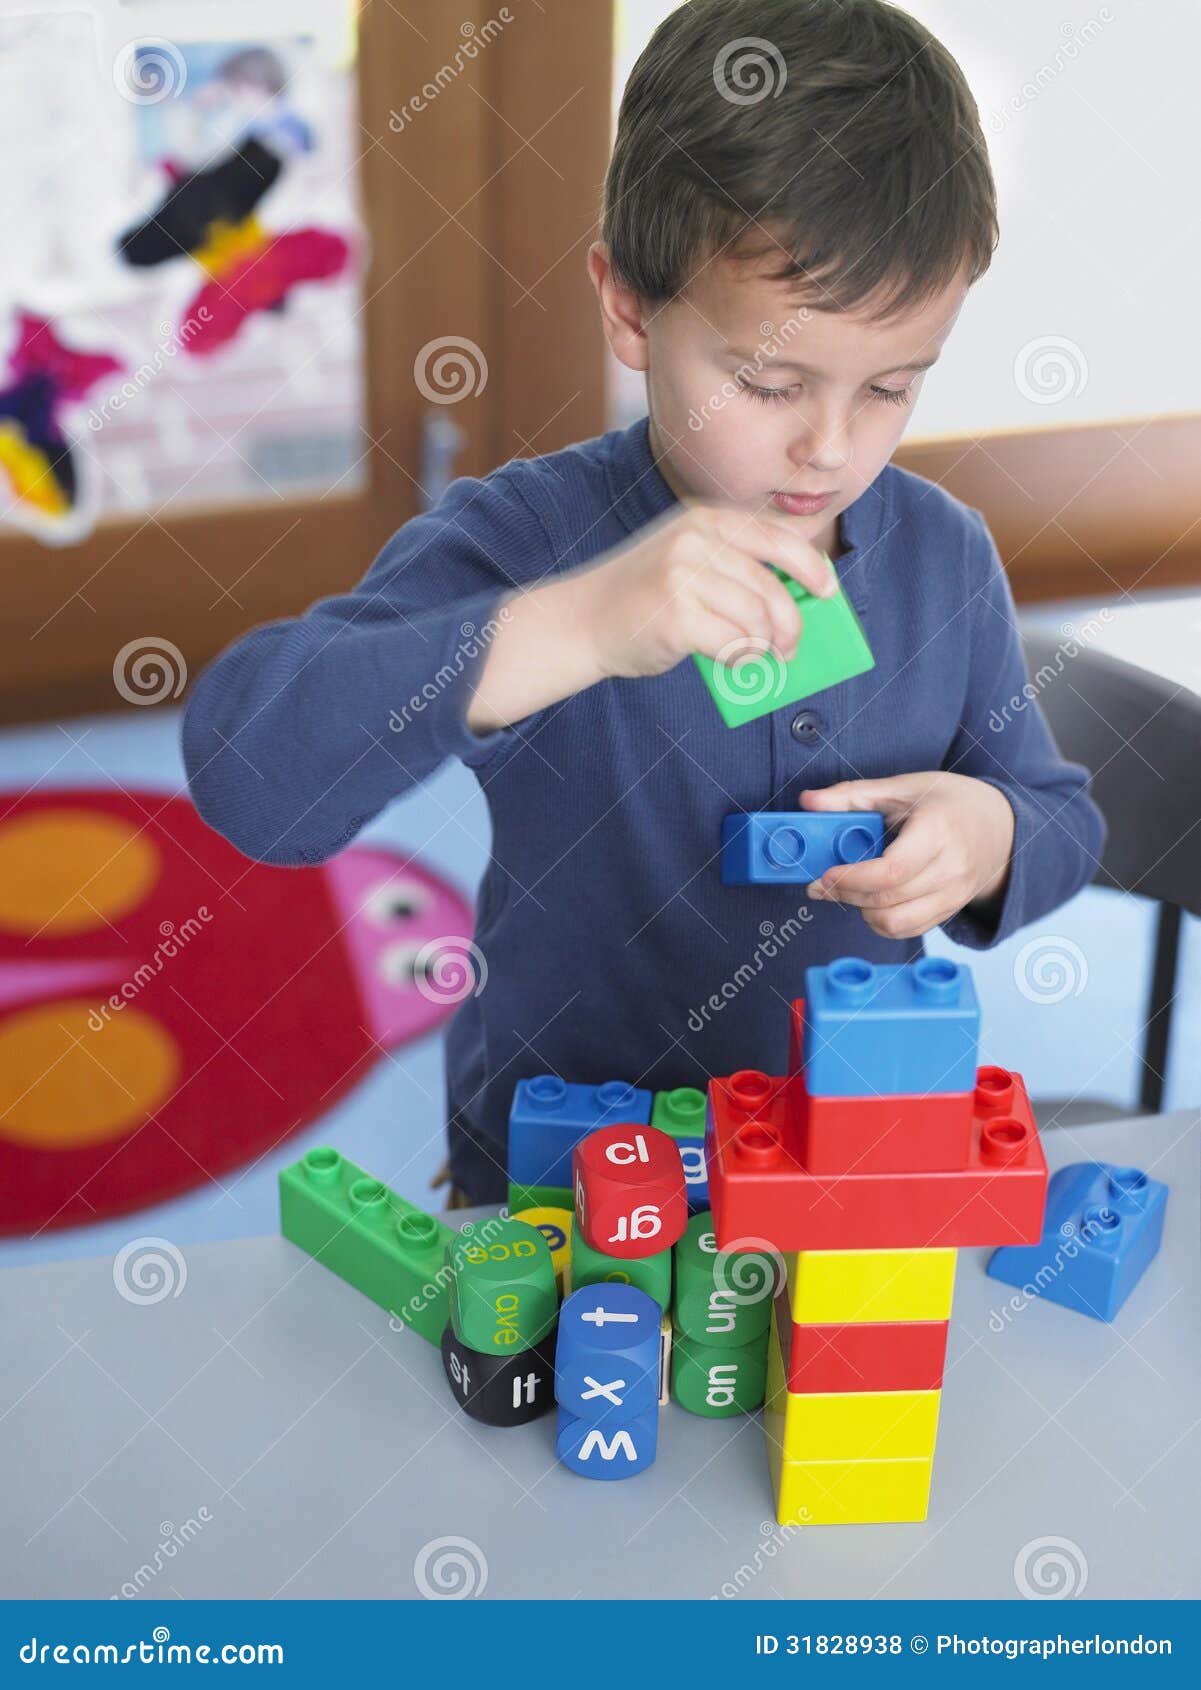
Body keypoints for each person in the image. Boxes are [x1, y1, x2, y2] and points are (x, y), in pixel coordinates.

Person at [183, 0, 1106, 1207]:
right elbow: (254, 773)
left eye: (890, 387)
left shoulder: (943, 557)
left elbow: (1058, 813)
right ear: (628, 309)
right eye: (765, 380)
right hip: (552, 1168)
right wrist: (569, 626)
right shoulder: (529, 540)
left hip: (831, 1157)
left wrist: (986, 834)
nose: (829, 447)